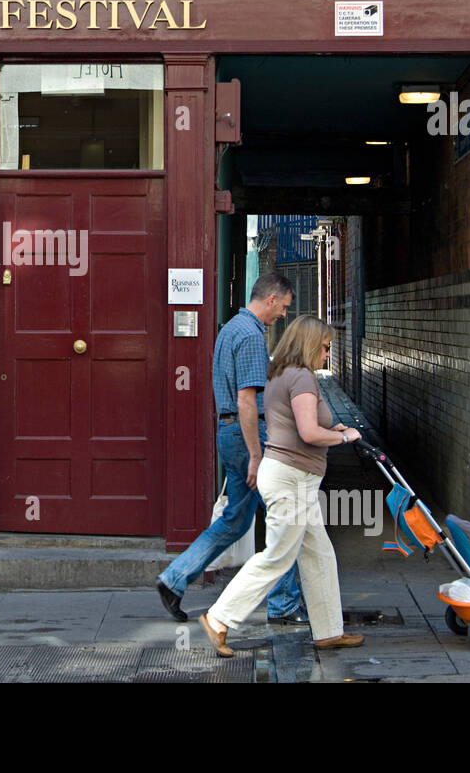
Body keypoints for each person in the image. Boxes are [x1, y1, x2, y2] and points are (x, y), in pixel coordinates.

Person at [198, 314, 365, 656]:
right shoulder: (302, 378)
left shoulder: (279, 374)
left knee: (320, 554)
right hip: (292, 480)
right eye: (324, 347)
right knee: (276, 557)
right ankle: (219, 618)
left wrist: (330, 432)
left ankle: (329, 630)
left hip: (292, 477)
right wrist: (345, 436)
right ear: (308, 345)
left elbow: (295, 428)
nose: (327, 354)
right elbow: (307, 432)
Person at [155, 272, 306, 625]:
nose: (283, 314)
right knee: (284, 515)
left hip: (229, 432)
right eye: (283, 307)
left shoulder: (229, 330)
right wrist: (257, 454)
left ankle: (175, 578)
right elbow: (247, 401)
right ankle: (284, 605)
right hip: (249, 436)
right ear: (271, 299)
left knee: (236, 520)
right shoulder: (252, 336)